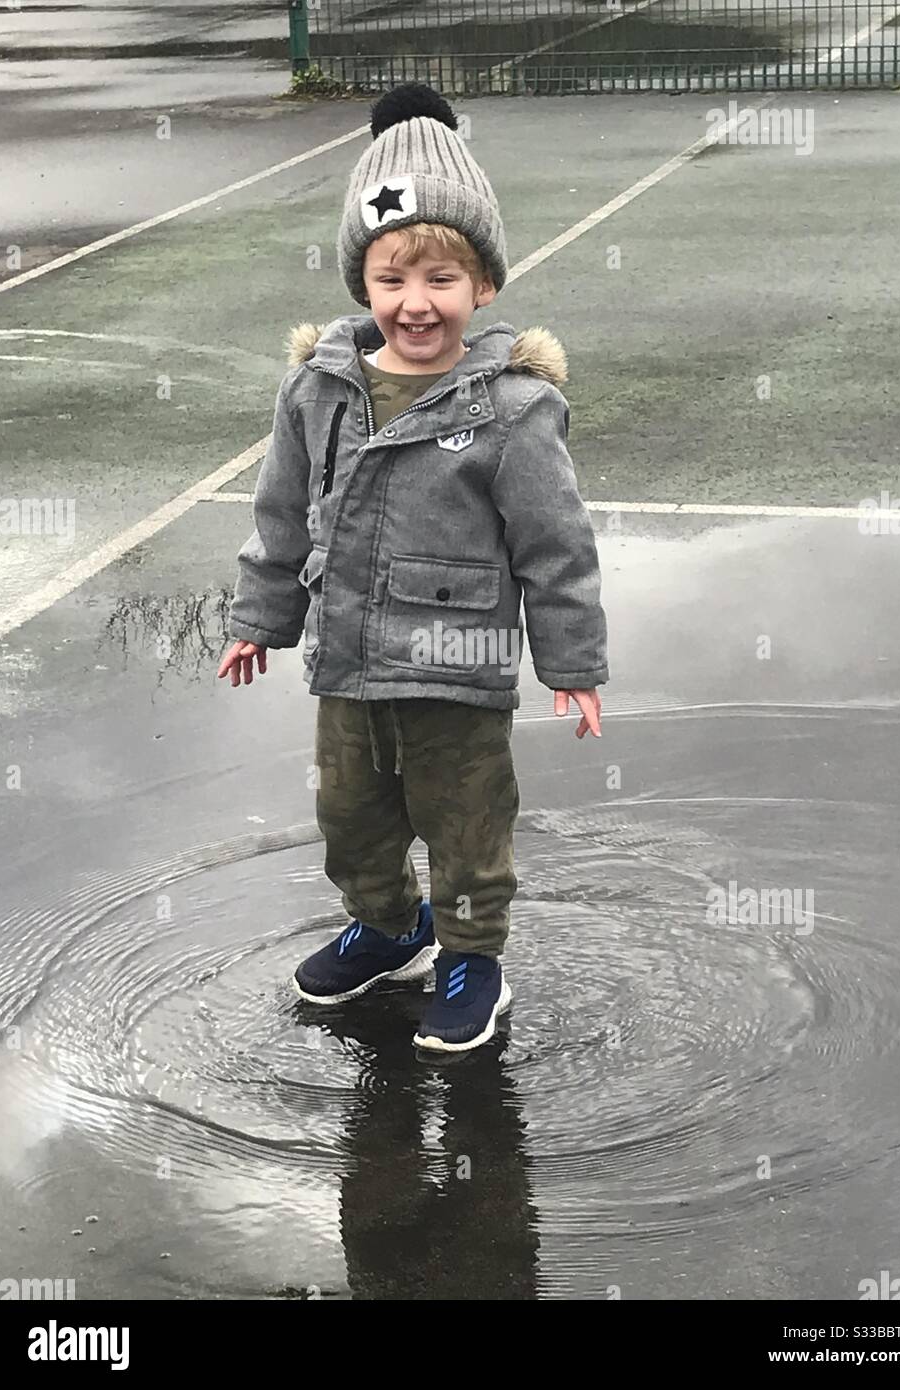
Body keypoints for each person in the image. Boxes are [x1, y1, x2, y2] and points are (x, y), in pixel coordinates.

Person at [218, 82, 608, 1053]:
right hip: (349, 665)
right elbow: (280, 517)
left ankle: (473, 955)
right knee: (349, 817)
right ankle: (394, 929)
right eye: (393, 278)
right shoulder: (318, 389)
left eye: (441, 278)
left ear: (481, 288)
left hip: (458, 671)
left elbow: (555, 544)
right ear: (363, 284)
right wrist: (256, 620)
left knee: (468, 824)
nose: (416, 302)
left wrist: (574, 664)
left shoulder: (512, 408)